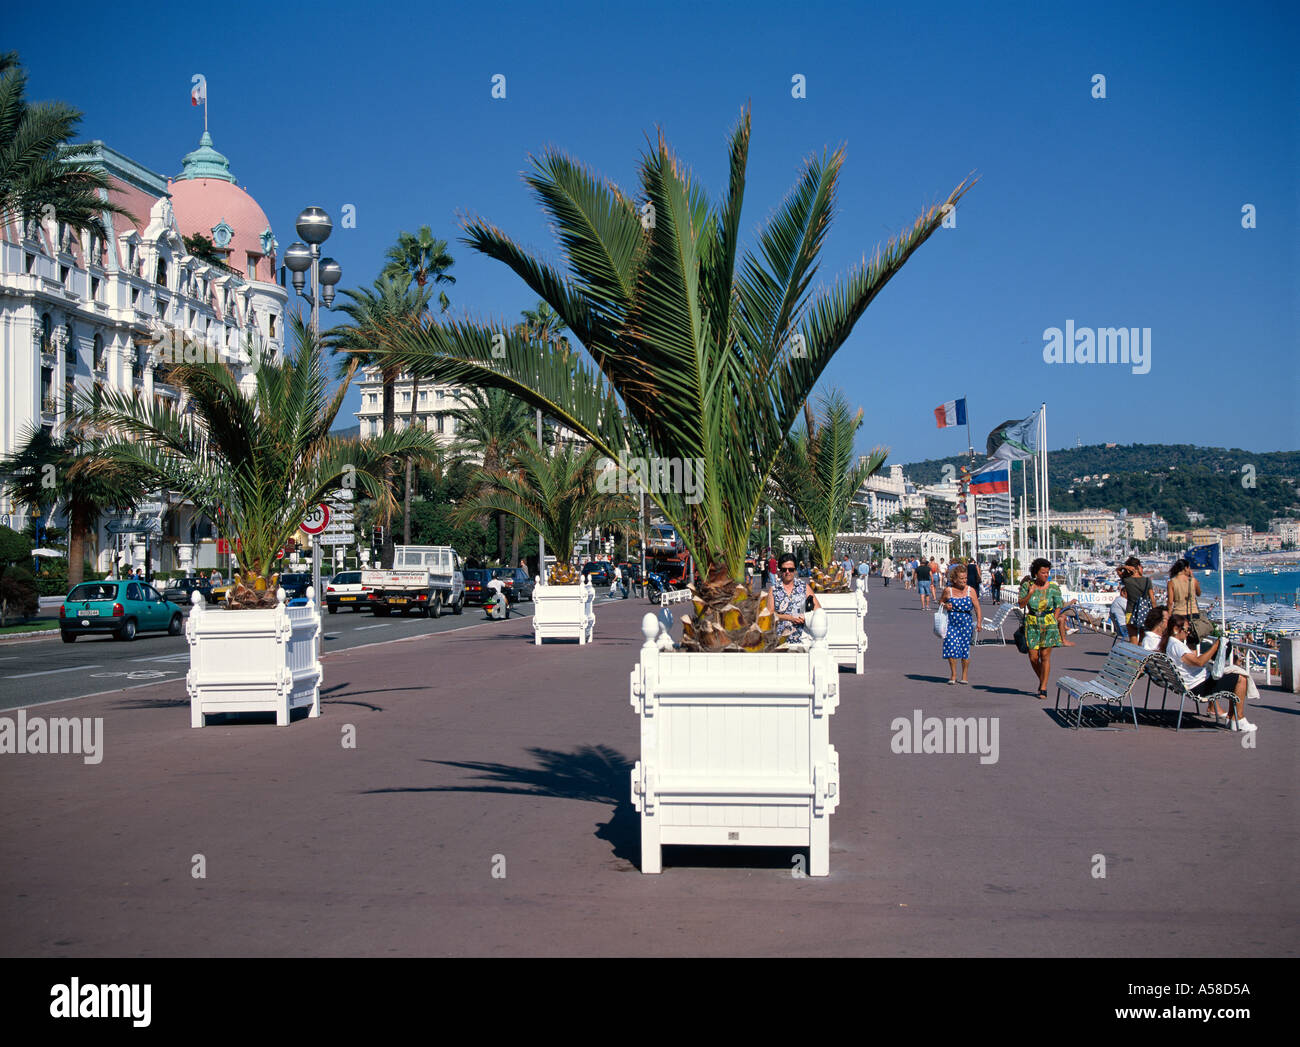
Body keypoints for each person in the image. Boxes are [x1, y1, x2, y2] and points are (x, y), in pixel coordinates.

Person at [1159, 614, 1255, 731]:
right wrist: (1215, 647)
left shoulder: (1170, 643)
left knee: (1234, 674)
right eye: (1187, 629)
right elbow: (1198, 662)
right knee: (1241, 678)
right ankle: (1238, 719)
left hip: (1194, 683)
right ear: (1175, 629)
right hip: (1199, 687)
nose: (1188, 632)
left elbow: (1192, 662)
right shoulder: (1177, 646)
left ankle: (1233, 718)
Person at [1018, 557, 1064, 699]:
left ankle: (1043, 686)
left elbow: (1059, 605)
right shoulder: (1027, 585)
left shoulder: (1053, 587)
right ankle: (1042, 679)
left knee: (1045, 656)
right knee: (1033, 657)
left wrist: (1054, 620)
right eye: (1043, 572)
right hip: (1032, 622)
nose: (1046, 575)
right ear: (1036, 573)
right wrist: (1030, 593)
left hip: (1048, 622)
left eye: (1047, 572)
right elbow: (1021, 604)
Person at [939, 563, 980, 684]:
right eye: (961, 578)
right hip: (951, 623)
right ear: (955, 579)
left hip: (966, 624)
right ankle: (953, 674)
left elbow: (977, 607)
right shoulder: (948, 591)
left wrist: (979, 622)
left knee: (964, 650)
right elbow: (941, 602)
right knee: (951, 647)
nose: (964, 580)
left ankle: (965, 675)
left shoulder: (970, 591)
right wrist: (946, 605)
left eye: (965, 578)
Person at [767, 552, 820, 642]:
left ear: (795, 570)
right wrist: (789, 617)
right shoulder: (774, 589)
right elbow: (769, 615)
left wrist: (805, 617)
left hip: (802, 638)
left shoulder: (804, 587)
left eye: (790, 569)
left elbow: (818, 610)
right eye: (784, 569)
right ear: (780, 570)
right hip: (780, 641)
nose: (787, 572)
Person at [1120, 556, 1157, 644]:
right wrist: (1155, 614)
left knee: (1133, 639)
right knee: (1142, 639)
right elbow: (1153, 600)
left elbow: (1118, 571)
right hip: (1144, 612)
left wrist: (1124, 567)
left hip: (1130, 612)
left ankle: (1134, 657)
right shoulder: (1147, 581)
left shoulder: (1127, 580)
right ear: (1138, 567)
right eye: (1141, 566)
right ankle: (1139, 657)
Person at [1167, 559, 1205, 641]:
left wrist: (1168, 616)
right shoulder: (1193, 581)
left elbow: (1170, 602)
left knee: (1177, 640)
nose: (1190, 570)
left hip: (1178, 613)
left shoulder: (1172, 582)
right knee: (1192, 642)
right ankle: (1192, 654)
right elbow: (1199, 593)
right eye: (1189, 568)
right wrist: (1193, 578)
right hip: (1193, 613)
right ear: (1185, 568)